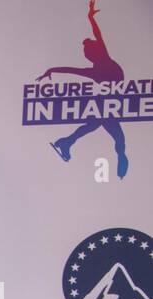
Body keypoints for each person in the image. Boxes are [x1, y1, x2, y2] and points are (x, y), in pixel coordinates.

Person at [34, 0, 129, 179]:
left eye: (89, 52)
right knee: (111, 134)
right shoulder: (94, 70)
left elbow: (97, 34)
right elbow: (70, 69)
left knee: (100, 129)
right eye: (87, 54)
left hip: (109, 104)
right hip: (105, 105)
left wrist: (90, 17)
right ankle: (67, 142)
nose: (88, 55)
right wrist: (51, 70)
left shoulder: (103, 60)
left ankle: (66, 142)